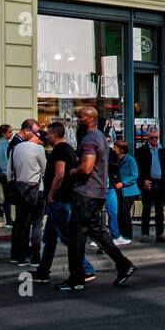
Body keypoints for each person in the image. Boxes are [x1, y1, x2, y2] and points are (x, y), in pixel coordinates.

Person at [61, 106, 135, 293]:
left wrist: (72, 171)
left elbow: (87, 167)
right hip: (98, 192)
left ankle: (76, 278)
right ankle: (124, 265)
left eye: (81, 117)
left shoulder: (90, 139)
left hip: (86, 192)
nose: (78, 119)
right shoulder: (101, 136)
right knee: (96, 231)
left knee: (77, 236)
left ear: (91, 119)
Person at [32, 121, 94, 284]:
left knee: (67, 237)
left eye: (48, 133)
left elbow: (59, 174)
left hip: (59, 199)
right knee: (50, 238)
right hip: (63, 198)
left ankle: (86, 269)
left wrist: (51, 194)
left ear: (53, 133)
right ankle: (43, 271)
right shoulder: (69, 149)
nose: (46, 136)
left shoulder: (59, 149)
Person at [7, 121, 47, 264]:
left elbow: (9, 172)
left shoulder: (15, 148)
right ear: (37, 137)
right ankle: (35, 256)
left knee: (22, 222)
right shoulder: (39, 149)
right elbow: (45, 170)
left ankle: (20, 256)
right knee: (37, 224)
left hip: (20, 189)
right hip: (37, 189)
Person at [135, 128, 165, 242]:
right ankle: (145, 234)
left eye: (156, 138)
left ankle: (160, 234)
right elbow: (138, 169)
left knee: (159, 210)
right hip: (148, 183)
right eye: (152, 137)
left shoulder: (161, 150)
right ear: (148, 138)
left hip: (159, 183)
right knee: (147, 209)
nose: (154, 140)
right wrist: (143, 181)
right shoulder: (141, 150)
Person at [113, 140, 138, 243]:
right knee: (119, 212)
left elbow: (134, 175)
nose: (114, 148)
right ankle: (120, 235)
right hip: (119, 190)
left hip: (129, 191)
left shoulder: (130, 160)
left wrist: (123, 183)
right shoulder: (116, 159)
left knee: (125, 212)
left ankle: (127, 235)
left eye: (116, 147)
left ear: (121, 150)